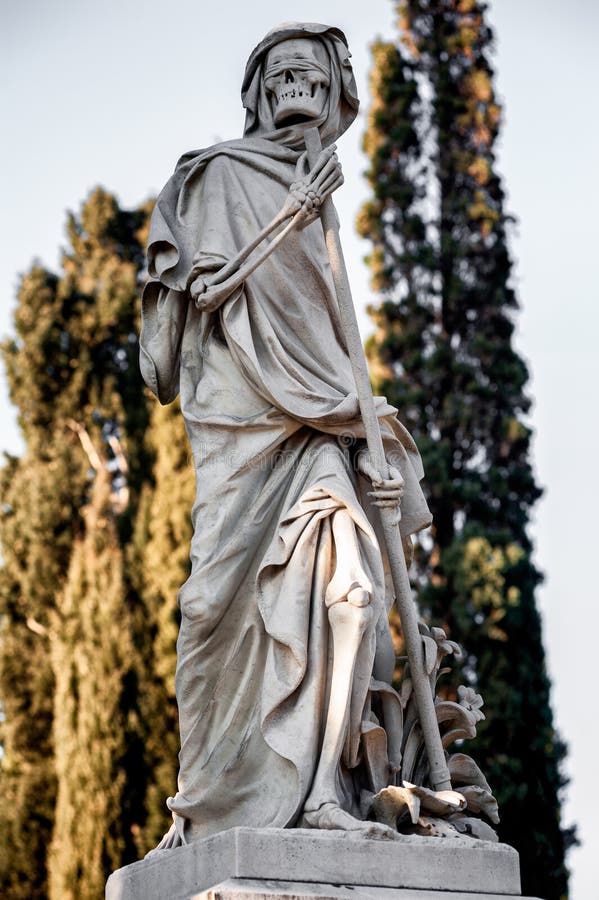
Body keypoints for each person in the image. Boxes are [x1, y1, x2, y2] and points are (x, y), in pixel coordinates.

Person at [140, 22, 432, 850]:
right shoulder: (214, 178)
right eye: (282, 67)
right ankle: (211, 800)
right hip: (240, 426)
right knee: (209, 614)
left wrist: (360, 428)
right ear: (259, 90)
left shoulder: (325, 198)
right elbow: (200, 298)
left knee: (350, 594)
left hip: (317, 431)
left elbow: (322, 333)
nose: (298, 77)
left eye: (314, 69)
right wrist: (293, 211)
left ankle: (324, 793)